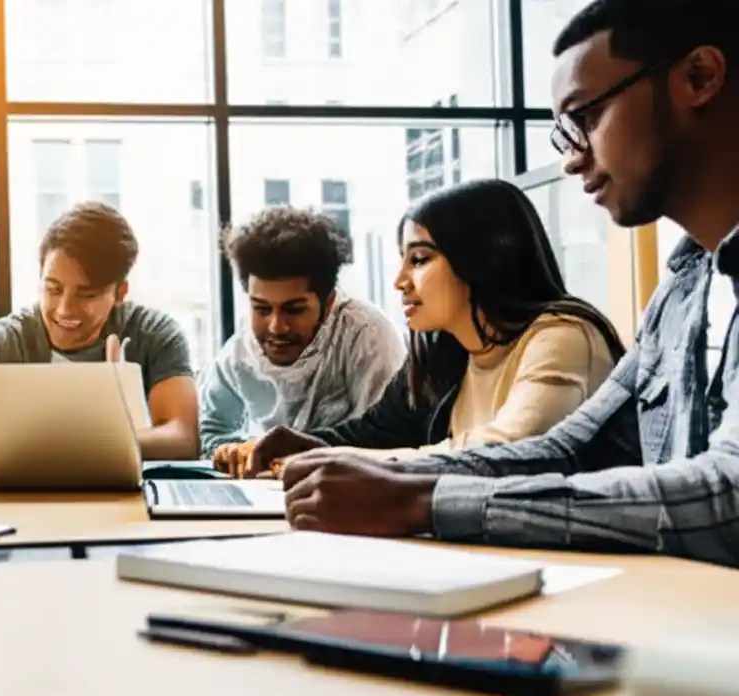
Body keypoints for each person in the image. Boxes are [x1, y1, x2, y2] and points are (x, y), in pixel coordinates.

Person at [273, 0, 739, 568]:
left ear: (700, 77)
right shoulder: (682, 290)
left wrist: (423, 500)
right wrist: (369, 473)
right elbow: (573, 449)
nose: (573, 159)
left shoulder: (564, 330)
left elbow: (727, 496)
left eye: (586, 117)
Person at [241, 179, 625, 478]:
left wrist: (336, 460)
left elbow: (505, 453)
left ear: (482, 257)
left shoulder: (564, 335)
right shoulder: (447, 352)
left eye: (419, 260)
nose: (400, 281)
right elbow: (371, 435)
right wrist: (300, 448)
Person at [0, 201, 199, 460]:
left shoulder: (154, 334)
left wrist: (78, 445)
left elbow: (183, 439)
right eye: (53, 289)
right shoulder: (2, 346)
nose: (65, 309)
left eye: (86, 295)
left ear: (120, 292)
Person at [202, 206, 404, 475]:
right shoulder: (239, 353)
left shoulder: (368, 336)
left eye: (294, 310)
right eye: (261, 308)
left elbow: (389, 440)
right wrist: (232, 451)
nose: (276, 327)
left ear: (328, 302)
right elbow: (211, 430)